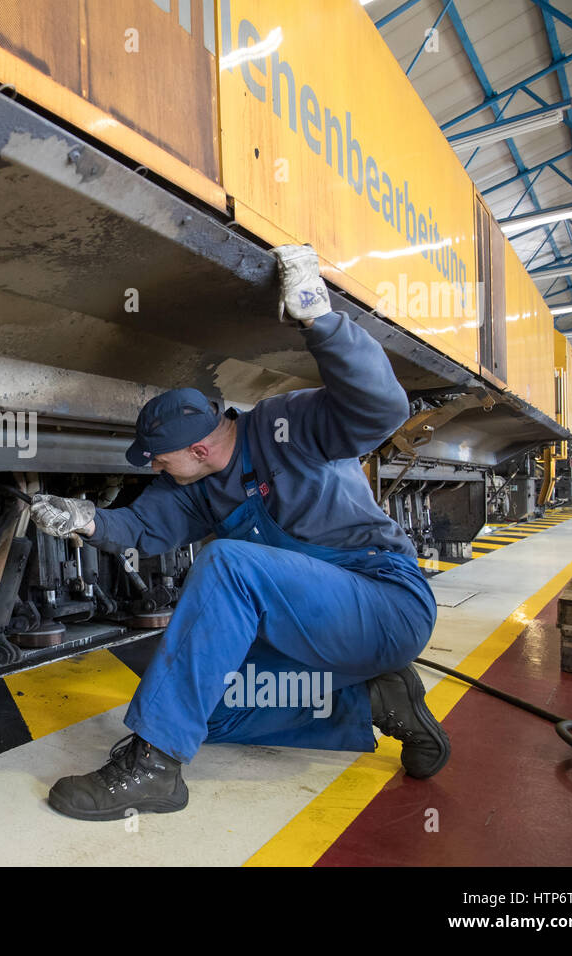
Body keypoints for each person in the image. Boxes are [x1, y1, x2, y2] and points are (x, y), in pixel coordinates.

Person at [29, 245, 446, 822]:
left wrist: (320, 322)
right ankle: (373, 698)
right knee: (213, 712)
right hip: (311, 633)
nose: (154, 468)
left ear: (199, 448)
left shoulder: (290, 425)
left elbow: (379, 409)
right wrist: (82, 518)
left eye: (159, 459)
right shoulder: (196, 486)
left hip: (384, 604)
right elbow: (140, 528)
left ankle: (154, 768)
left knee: (228, 560)